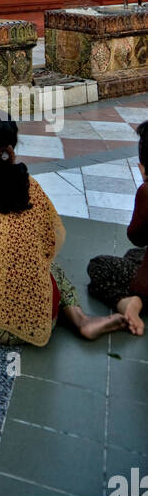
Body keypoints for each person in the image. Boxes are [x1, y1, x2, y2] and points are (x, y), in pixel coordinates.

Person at [0, 117, 128, 346]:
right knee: (50, 267)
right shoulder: (29, 186)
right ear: (11, 147)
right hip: (40, 317)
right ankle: (80, 319)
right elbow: (48, 244)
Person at [86, 120, 147, 336]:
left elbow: (136, 236)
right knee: (134, 255)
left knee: (99, 266)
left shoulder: (147, 191)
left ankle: (130, 302)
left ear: (142, 167)